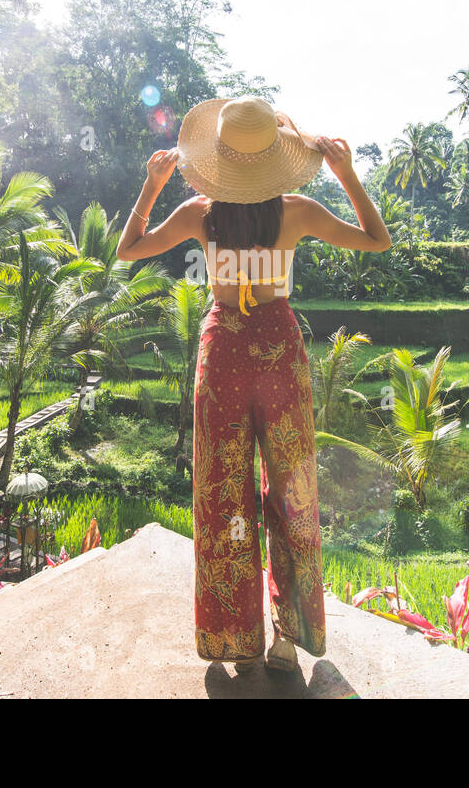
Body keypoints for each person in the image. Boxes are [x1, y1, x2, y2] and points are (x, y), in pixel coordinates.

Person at [116, 96, 391, 673]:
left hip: (224, 354)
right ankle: (288, 639)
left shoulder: (198, 211)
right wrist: (346, 174)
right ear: (275, 157)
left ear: (219, 159)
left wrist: (152, 184)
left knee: (223, 491)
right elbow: (376, 239)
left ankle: (229, 636)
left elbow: (129, 250)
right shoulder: (296, 211)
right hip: (278, 349)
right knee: (291, 488)